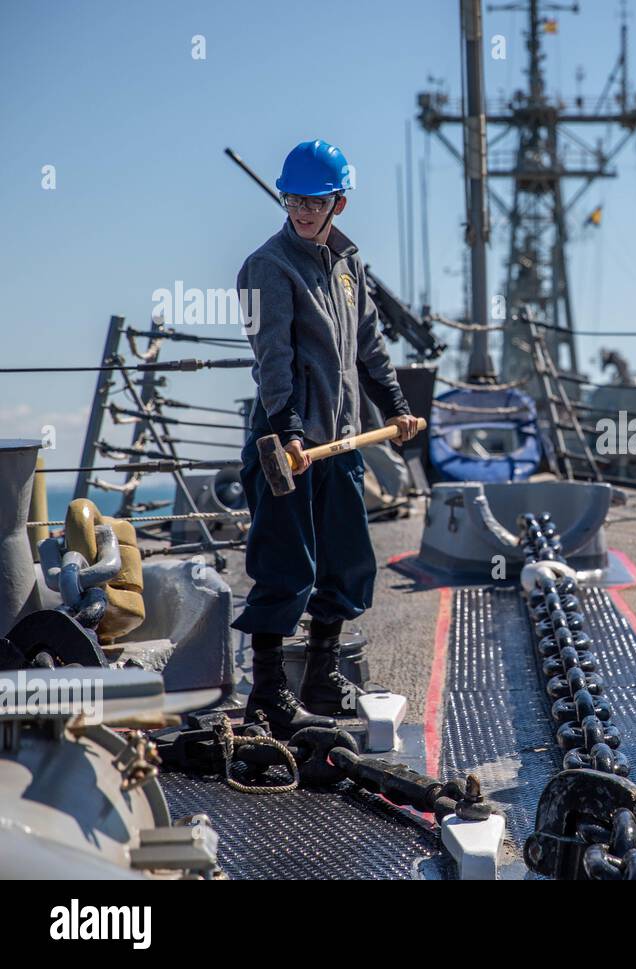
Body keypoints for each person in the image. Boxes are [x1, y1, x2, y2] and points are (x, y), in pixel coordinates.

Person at [233, 140, 420, 734]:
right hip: (287, 443)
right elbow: (273, 359)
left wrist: (395, 407)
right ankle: (266, 691)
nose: (302, 211)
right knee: (285, 563)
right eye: (293, 199)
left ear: (338, 202)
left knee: (344, 560)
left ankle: (321, 674)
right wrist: (287, 431)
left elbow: (369, 347)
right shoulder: (270, 265)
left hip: (340, 440)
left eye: (314, 201)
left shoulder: (347, 265)